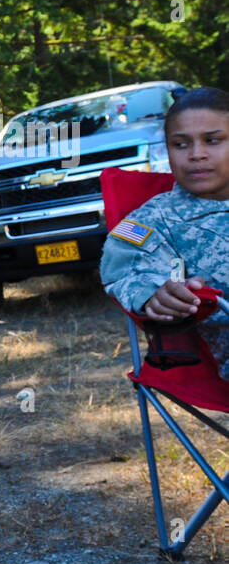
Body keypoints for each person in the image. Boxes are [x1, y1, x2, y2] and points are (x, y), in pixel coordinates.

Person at [101, 86, 229, 380]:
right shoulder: (156, 221)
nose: (197, 154)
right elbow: (124, 269)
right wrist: (154, 294)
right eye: (180, 144)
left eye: (212, 140)